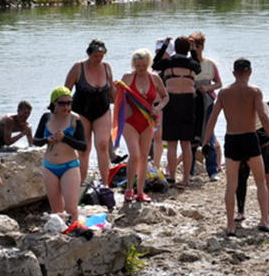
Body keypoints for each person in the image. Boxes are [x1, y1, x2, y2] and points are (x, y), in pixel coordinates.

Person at [203, 58, 269, 236]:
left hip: (232, 139)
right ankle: (264, 220)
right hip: (250, 138)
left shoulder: (224, 92)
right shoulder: (254, 91)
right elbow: (263, 116)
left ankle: (230, 226)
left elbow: (212, 118)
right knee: (260, 181)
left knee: (231, 184)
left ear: (234, 73)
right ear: (250, 72)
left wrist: (206, 141)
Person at [113, 48, 169, 202]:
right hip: (130, 121)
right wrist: (119, 94)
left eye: (143, 66)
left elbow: (165, 97)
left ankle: (140, 191)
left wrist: (157, 108)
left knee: (144, 156)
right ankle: (129, 189)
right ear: (133, 65)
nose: (141, 69)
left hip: (147, 121)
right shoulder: (128, 78)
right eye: (138, 66)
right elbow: (117, 98)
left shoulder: (155, 79)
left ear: (149, 64)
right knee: (135, 155)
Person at [32, 86, 88, 224]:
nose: (66, 106)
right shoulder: (46, 117)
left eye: (69, 103)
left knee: (71, 209)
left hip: (69, 166)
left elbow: (83, 146)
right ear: (54, 103)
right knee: (56, 209)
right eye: (62, 103)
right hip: (49, 166)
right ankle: (59, 235)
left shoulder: (75, 119)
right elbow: (35, 141)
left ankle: (74, 233)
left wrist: (65, 138)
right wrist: (47, 140)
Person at [152, 36, 201, 186]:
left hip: (171, 101)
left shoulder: (168, 62)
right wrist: (193, 50)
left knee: (172, 143)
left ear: (174, 48)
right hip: (188, 101)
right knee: (186, 143)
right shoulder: (192, 64)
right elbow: (198, 66)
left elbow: (155, 63)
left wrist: (165, 45)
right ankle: (186, 177)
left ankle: (172, 176)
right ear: (187, 49)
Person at [63, 39, 114, 185]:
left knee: (103, 145)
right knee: (84, 149)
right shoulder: (78, 68)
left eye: (101, 56)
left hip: (102, 110)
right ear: (89, 54)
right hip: (81, 111)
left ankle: (106, 184)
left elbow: (112, 90)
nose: (98, 59)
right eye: (96, 56)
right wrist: (61, 112)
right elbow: (65, 91)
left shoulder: (107, 67)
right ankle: (80, 183)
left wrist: (122, 108)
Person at [234, 100, 269, 224]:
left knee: (268, 176)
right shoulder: (244, 107)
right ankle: (240, 211)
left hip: (267, 144)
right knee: (242, 177)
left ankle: (268, 212)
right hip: (246, 143)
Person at [190, 32, 223, 182]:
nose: (196, 49)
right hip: (191, 102)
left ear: (202, 47)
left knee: (209, 134)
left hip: (208, 102)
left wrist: (207, 88)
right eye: (193, 46)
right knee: (191, 137)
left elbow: (219, 83)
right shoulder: (188, 64)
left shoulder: (210, 64)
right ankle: (189, 171)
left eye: (198, 46)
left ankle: (212, 170)